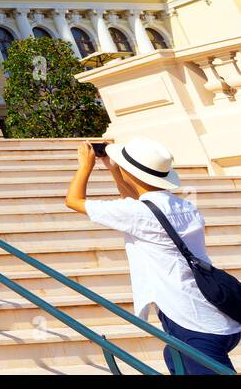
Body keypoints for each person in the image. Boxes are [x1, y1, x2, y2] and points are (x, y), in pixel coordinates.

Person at [65, 137, 241, 374]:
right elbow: (137, 201)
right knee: (174, 358)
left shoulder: (138, 214)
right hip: (222, 316)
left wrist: (85, 166)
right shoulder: (186, 206)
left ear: (131, 173)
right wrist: (117, 171)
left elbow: (73, 201)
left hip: (191, 323)